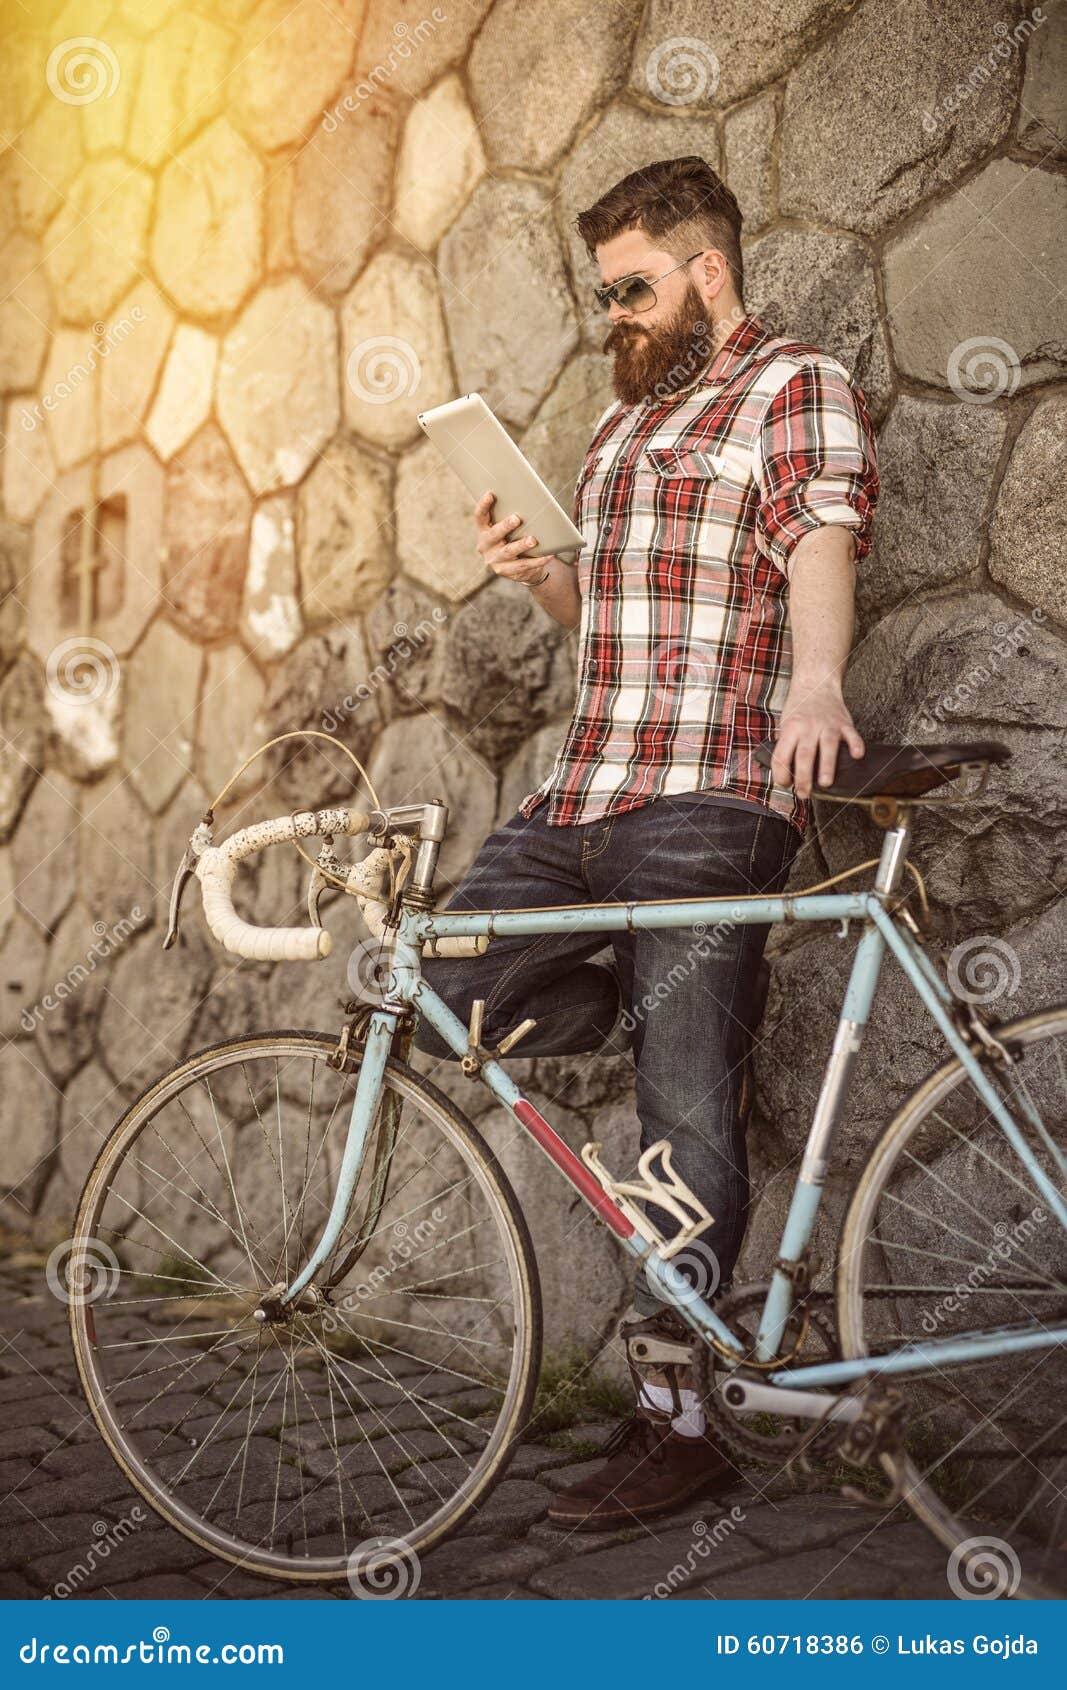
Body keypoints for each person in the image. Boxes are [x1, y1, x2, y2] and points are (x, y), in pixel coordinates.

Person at [414, 155, 879, 1529]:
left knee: (682, 1117)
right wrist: (548, 576)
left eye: (630, 287)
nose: (612, 313)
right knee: (433, 988)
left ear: (706, 272)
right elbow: (614, 632)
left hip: (707, 802)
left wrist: (815, 677)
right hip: (580, 802)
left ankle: (680, 1421)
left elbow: (821, 535)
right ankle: (661, 985)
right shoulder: (619, 436)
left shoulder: (790, 384)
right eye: (601, 291)